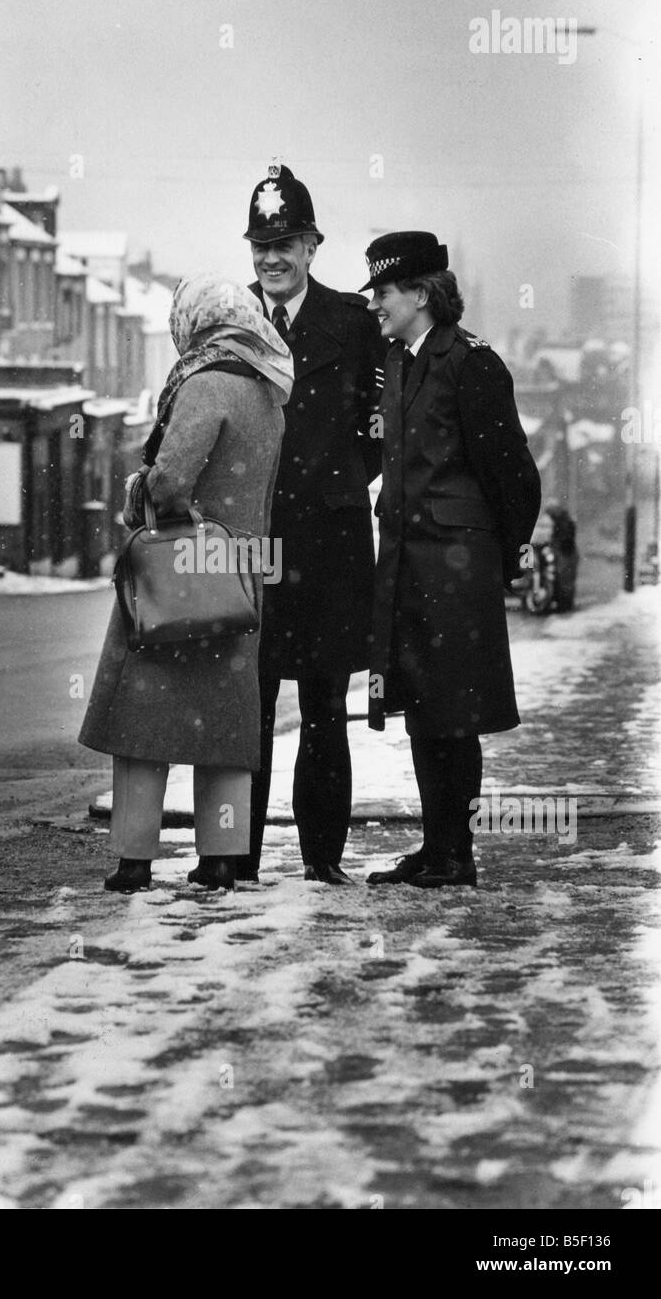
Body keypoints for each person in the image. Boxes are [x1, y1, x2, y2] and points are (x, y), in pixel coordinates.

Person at [79, 274, 290, 893]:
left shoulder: (204, 384)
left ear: (194, 322)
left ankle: (134, 859)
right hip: (239, 576)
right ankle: (222, 857)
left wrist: (136, 490)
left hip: (179, 573)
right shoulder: (267, 390)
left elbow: (171, 485)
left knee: (141, 723)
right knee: (224, 726)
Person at [361, 231, 541, 889]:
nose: (375, 304)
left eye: (382, 292)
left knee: (454, 714)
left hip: (454, 569)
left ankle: (455, 854)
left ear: (419, 293)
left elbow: (513, 475)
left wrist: (496, 556)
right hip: (407, 565)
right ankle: (436, 848)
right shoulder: (400, 361)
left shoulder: (471, 365)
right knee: (421, 709)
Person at [240, 161, 388, 885]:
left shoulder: (353, 325)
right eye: (261, 245)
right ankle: (235, 859)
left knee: (326, 705)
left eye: (286, 243)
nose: (272, 258)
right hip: (250, 546)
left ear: (312, 247)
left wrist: (334, 481)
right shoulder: (230, 321)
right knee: (247, 705)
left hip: (329, 544)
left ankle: (321, 858)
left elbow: (380, 427)